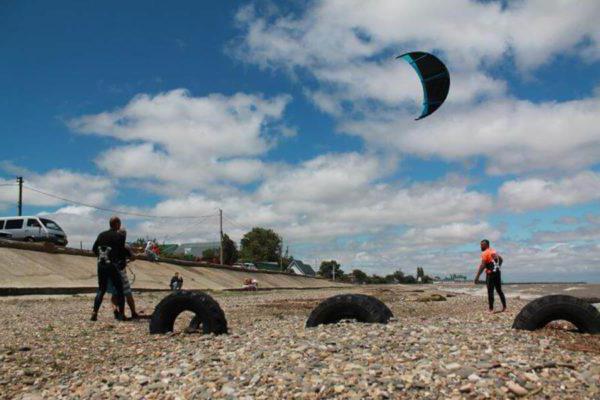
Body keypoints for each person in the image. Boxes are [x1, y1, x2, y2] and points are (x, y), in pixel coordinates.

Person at [91, 216, 127, 321]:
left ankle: (94, 313)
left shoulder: (101, 235)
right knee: (120, 290)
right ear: (117, 224)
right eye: (119, 223)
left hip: (101, 265)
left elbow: (94, 249)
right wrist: (122, 264)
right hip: (113, 265)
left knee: (101, 289)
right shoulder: (119, 236)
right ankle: (121, 315)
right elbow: (122, 252)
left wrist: (101, 257)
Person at [107, 229, 140, 319]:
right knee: (127, 293)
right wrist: (134, 256)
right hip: (120, 272)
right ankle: (132, 313)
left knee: (114, 294)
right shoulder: (125, 246)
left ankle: (115, 311)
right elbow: (132, 257)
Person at [474, 239, 507, 313]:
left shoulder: (485, 253)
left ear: (487, 245)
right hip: (498, 273)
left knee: (490, 291)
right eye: (480, 244)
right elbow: (501, 259)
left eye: (482, 245)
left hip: (490, 274)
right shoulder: (493, 251)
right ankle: (504, 307)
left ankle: (491, 309)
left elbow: (483, 265)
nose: (481, 246)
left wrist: (477, 276)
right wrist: (497, 267)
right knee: (499, 290)